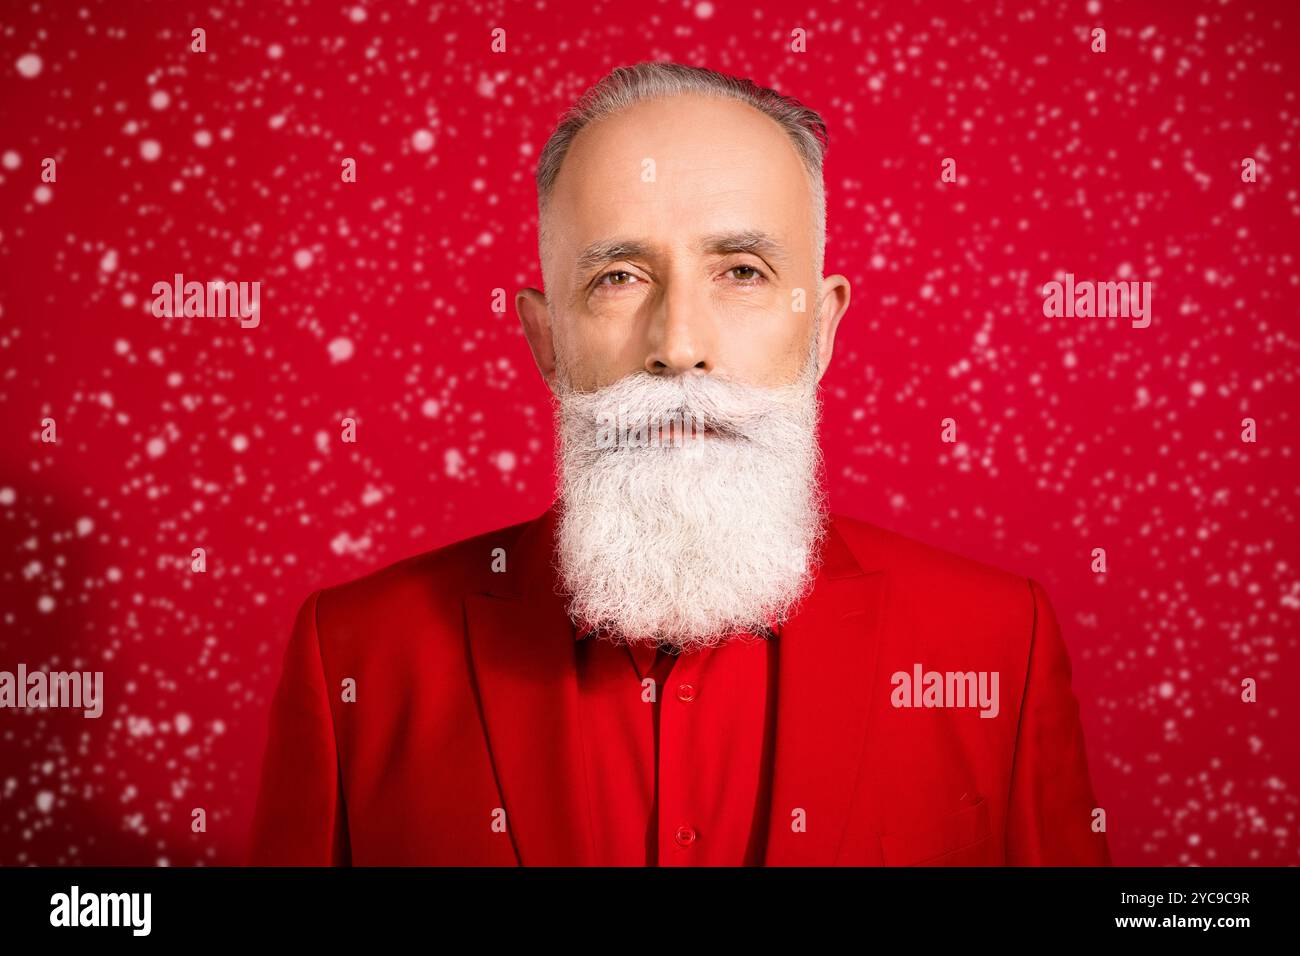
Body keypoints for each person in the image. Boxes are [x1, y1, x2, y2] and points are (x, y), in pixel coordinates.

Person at [247, 62, 1111, 866]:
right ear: (547, 341)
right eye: (619, 277)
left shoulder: (997, 647)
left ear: (822, 329)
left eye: (742, 271)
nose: (679, 347)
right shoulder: (356, 659)